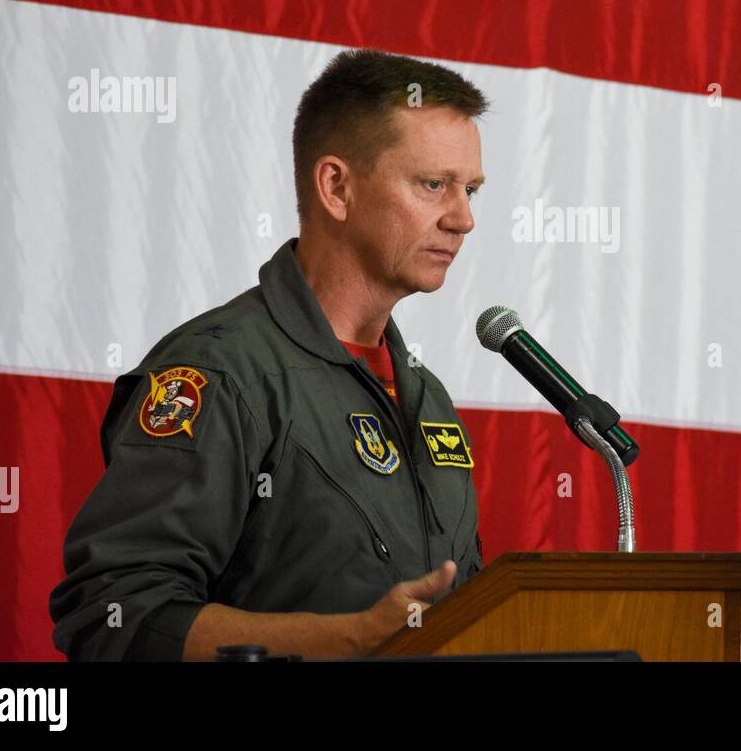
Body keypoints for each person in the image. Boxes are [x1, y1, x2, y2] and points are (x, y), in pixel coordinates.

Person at [49, 49, 489, 660]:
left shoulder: (426, 395)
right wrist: (354, 639)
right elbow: (113, 613)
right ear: (336, 187)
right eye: (433, 185)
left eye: (470, 189)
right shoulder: (218, 374)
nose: (463, 218)